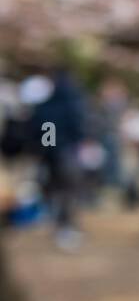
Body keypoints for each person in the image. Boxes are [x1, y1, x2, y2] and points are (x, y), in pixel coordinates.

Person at [29, 69, 86, 250]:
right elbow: (78, 129)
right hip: (66, 154)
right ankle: (65, 225)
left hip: (50, 154)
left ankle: (58, 224)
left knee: (53, 190)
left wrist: (48, 146)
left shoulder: (45, 106)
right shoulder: (72, 104)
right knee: (68, 191)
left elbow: (43, 131)